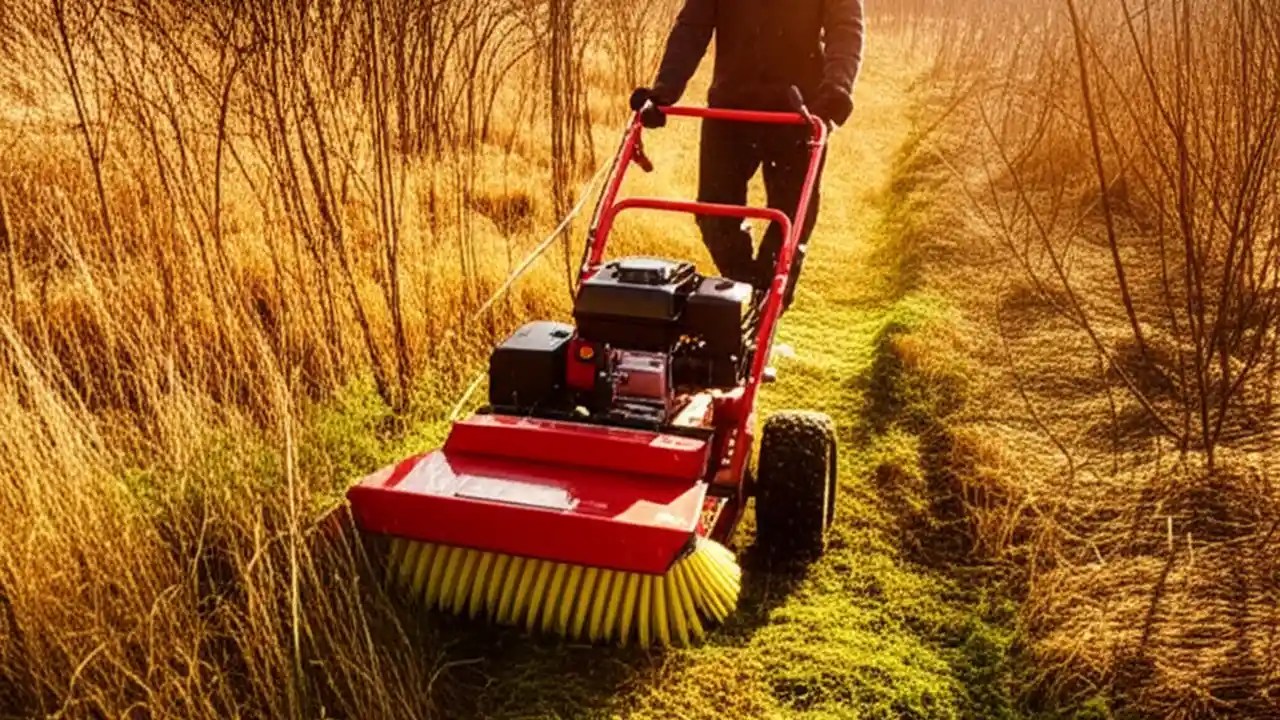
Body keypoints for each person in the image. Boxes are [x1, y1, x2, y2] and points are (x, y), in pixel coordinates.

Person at [631, 0, 865, 312]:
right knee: (715, 214)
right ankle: (747, 294)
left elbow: (845, 27)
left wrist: (837, 88)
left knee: (792, 219)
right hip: (730, 106)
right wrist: (662, 93)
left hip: (799, 113)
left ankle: (767, 301)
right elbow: (692, 27)